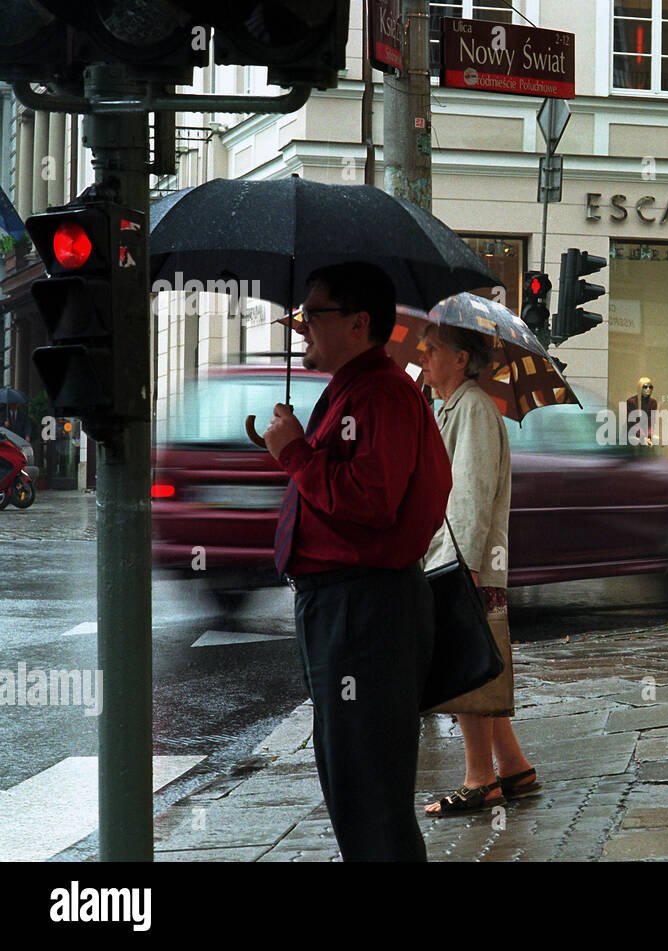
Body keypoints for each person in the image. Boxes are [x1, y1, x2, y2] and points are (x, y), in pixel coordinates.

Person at [262, 261, 452, 861]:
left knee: (366, 789)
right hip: (346, 607)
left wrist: (295, 453)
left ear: (357, 322)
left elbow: (371, 500)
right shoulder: (356, 390)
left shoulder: (381, 393)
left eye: (312, 315)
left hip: (363, 610)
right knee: (354, 781)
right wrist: (297, 446)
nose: (301, 329)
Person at [418, 321, 539, 815]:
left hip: (466, 562)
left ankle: (479, 780)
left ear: (461, 359)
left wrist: (461, 565)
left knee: (467, 666)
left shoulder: (471, 408)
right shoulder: (450, 408)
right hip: (459, 558)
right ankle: (513, 767)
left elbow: (469, 491)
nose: (423, 356)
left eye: (433, 349)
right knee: (481, 662)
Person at [625, 376, 657, 446]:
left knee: (657, 440)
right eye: (645, 387)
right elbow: (632, 423)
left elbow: (651, 422)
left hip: (646, 433)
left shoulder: (653, 402)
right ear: (640, 388)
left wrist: (648, 436)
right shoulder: (631, 402)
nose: (648, 389)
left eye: (650, 387)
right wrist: (642, 436)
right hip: (633, 433)